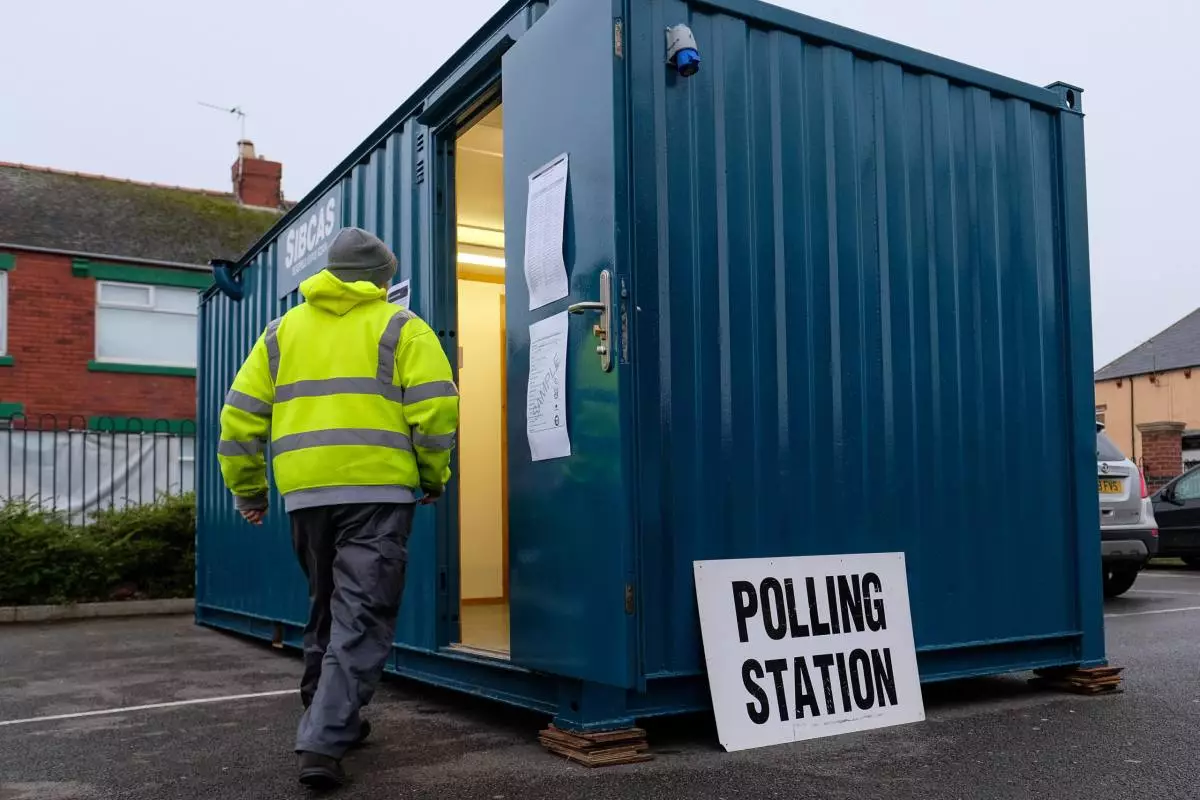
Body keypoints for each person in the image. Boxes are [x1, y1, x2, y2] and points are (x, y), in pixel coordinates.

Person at [216, 227, 459, 789]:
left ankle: (328, 711)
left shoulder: (281, 333)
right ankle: (323, 741)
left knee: (328, 604)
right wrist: (432, 477)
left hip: (307, 497)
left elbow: (239, 420)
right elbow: (436, 411)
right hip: (377, 495)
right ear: (381, 279)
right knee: (362, 613)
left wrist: (249, 490)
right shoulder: (402, 326)